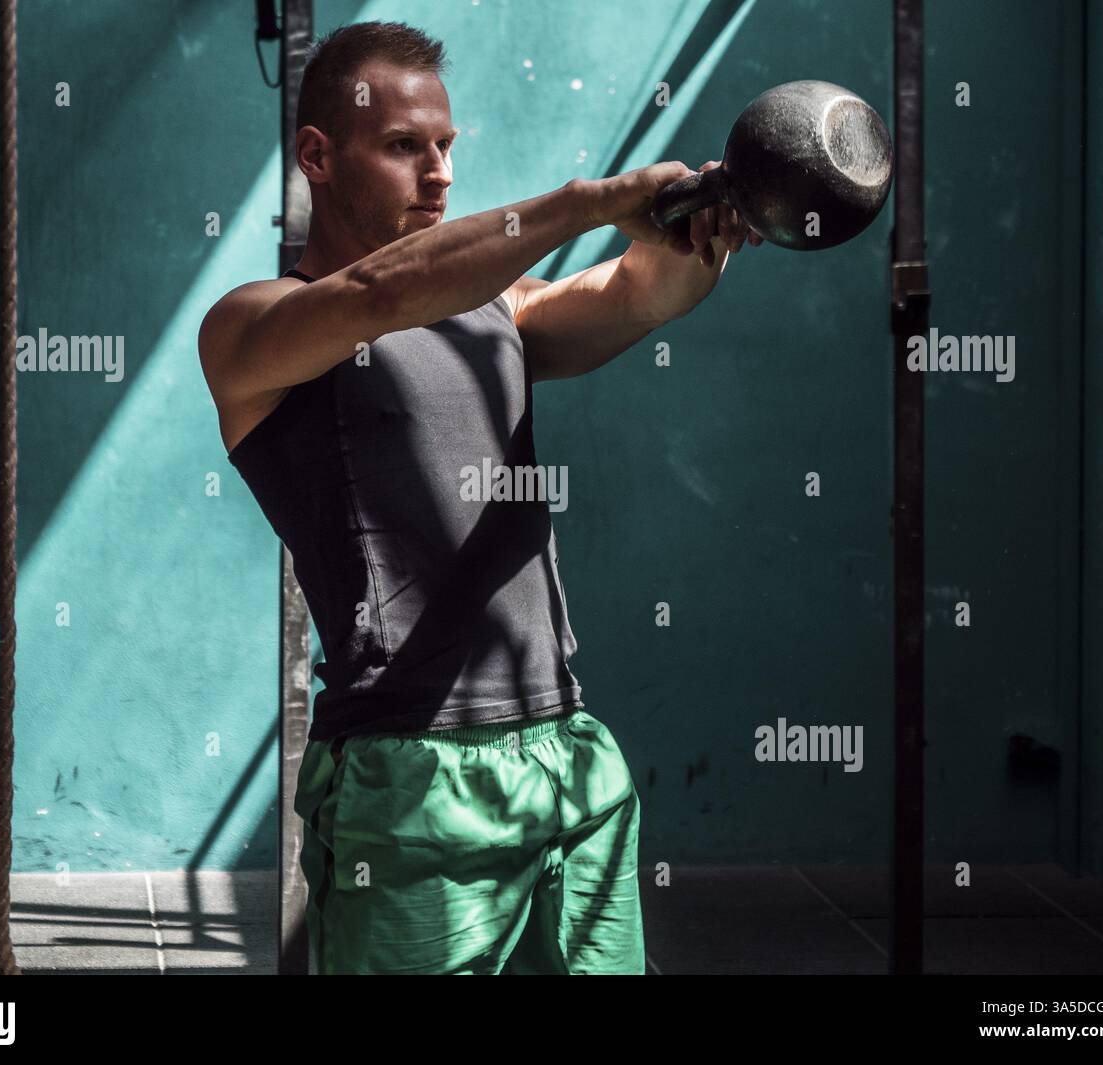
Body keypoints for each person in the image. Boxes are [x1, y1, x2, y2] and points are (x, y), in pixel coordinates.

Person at [197, 19, 759, 975]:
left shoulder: (498, 305)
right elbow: (379, 296)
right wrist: (593, 200)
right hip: (408, 772)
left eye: (447, 147)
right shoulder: (253, 329)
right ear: (318, 156)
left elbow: (636, 295)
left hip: (567, 754)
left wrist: (704, 231)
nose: (439, 173)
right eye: (404, 146)